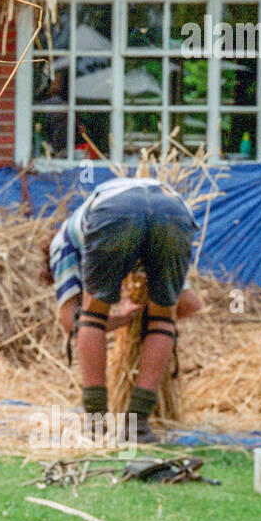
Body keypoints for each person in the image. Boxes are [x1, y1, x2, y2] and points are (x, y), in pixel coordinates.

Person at [41, 176, 203, 443]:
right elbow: (189, 305)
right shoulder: (144, 226)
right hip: (173, 209)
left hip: (116, 210)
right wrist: (141, 317)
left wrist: (119, 318)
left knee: (92, 315)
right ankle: (137, 426)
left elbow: (73, 323)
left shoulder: (61, 243)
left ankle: (95, 424)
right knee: (164, 320)